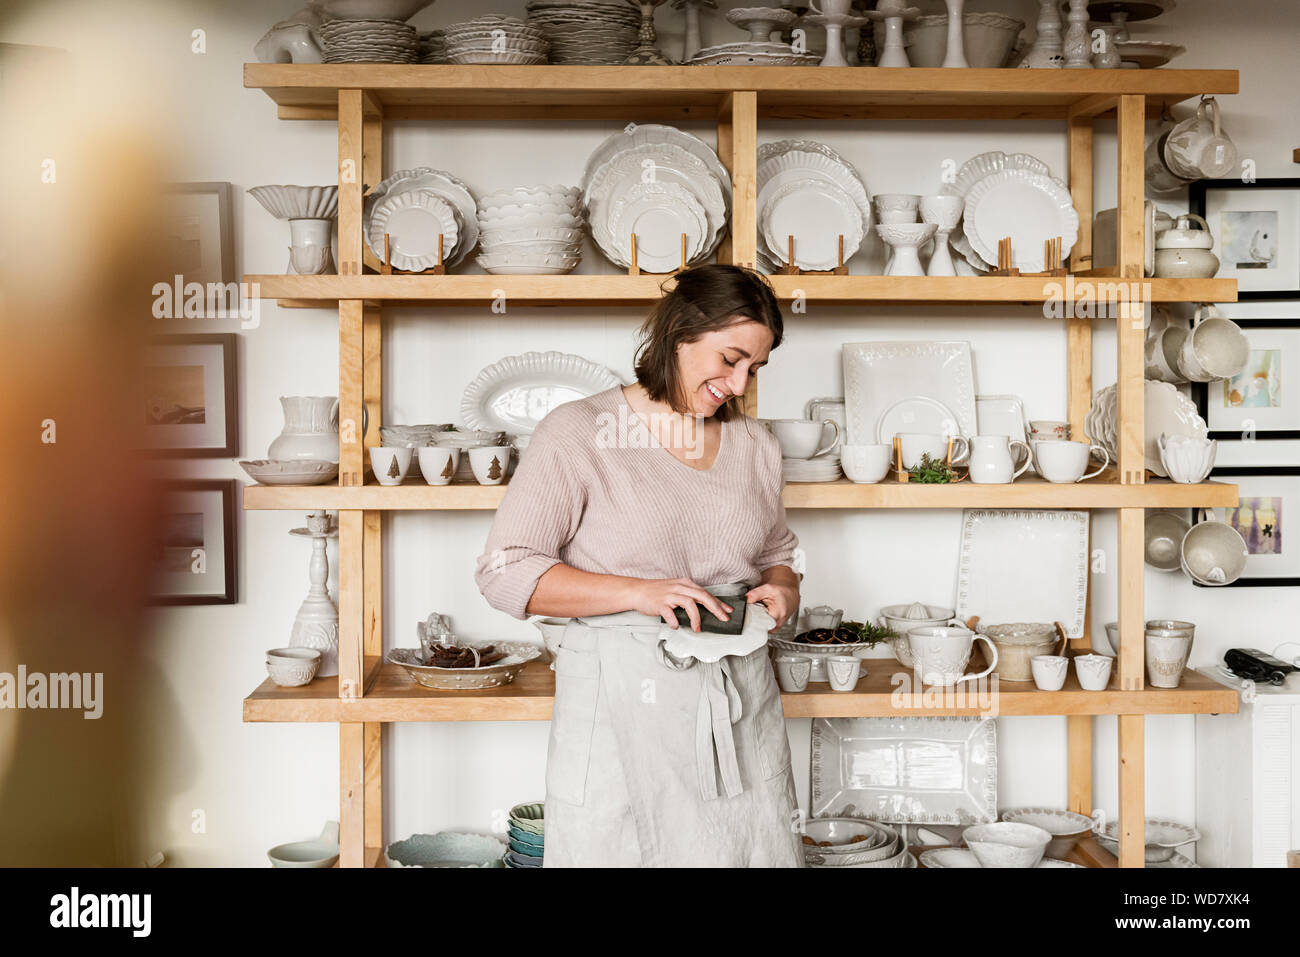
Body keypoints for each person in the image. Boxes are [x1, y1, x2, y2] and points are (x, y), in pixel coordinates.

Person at [474, 264, 803, 867]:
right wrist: (637, 592)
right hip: (621, 702)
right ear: (680, 335)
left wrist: (784, 591)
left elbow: (778, 557)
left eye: (754, 368)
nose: (738, 383)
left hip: (737, 701)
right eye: (730, 358)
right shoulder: (579, 432)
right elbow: (505, 571)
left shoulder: (756, 445)